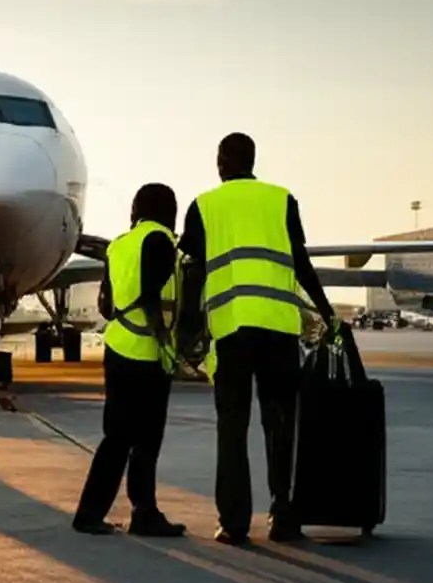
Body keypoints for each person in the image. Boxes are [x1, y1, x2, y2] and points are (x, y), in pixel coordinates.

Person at [178, 132, 336, 545]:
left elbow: (193, 271)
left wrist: (187, 332)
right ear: (253, 160)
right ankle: (283, 517)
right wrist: (327, 310)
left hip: (231, 331)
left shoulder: (204, 205)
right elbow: (300, 262)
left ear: (221, 162)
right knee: (280, 424)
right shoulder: (281, 200)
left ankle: (234, 523)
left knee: (232, 427)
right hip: (279, 329)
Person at [73, 184, 187, 537]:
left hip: (118, 346)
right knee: (147, 440)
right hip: (148, 353)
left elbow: (106, 304)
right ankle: (144, 511)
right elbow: (153, 296)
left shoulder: (119, 245)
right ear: (170, 211)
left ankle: (90, 513)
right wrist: (166, 341)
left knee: (116, 437)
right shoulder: (162, 242)